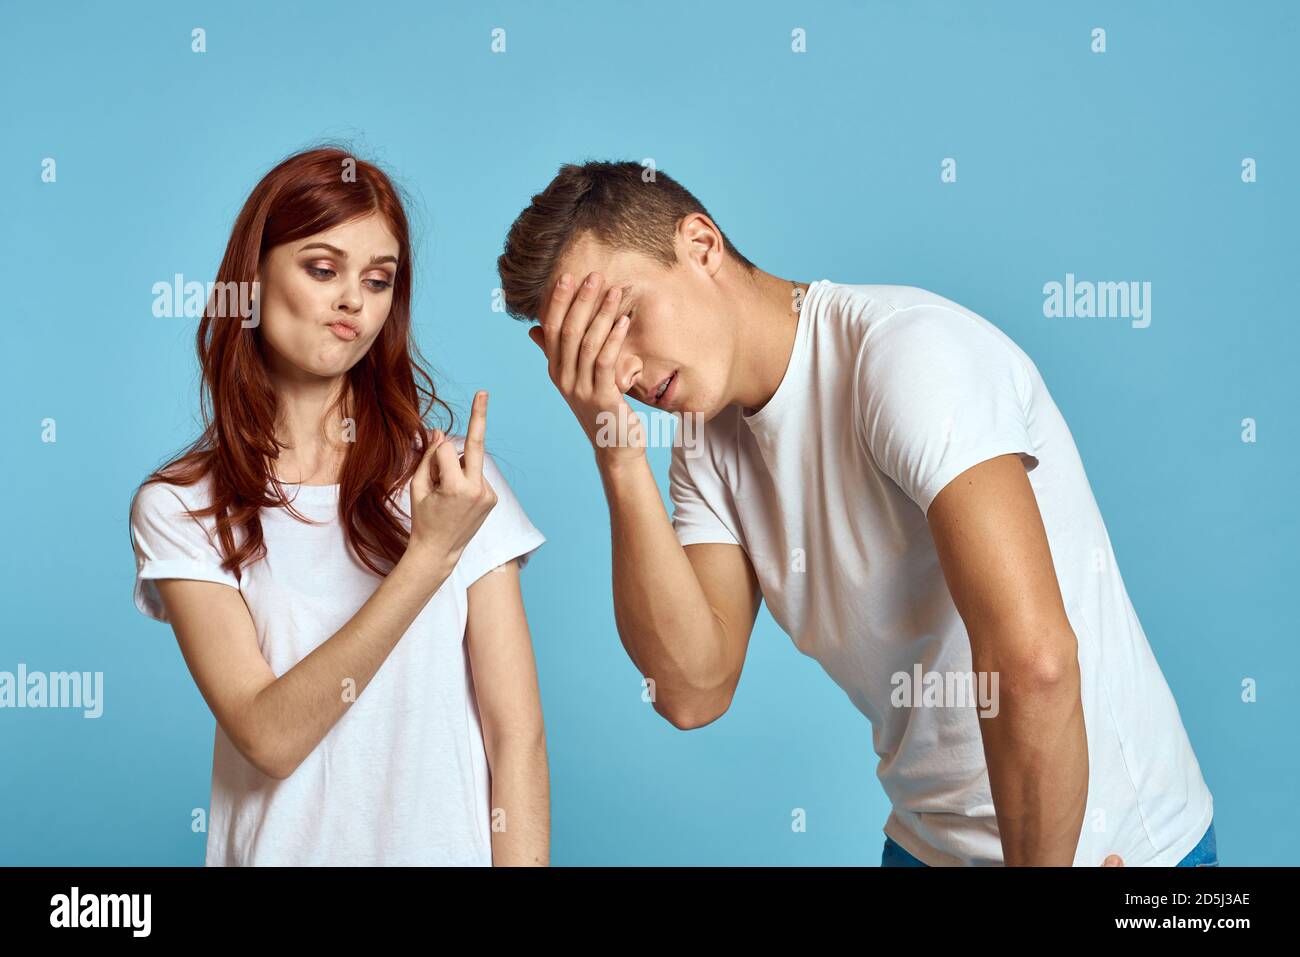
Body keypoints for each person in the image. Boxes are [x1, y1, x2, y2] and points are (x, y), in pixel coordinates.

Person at [494, 160, 1216, 866]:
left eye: (622, 317)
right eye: (585, 349)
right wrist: (615, 449)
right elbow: (692, 687)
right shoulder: (705, 443)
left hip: (1108, 847)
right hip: (928, 843)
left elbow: (1034, 663)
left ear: (701, 245)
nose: (620, 372)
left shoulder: (906, 357)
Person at [129, 147, 548, 866]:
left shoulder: (454, 482)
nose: (354, 300)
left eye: (378, 279)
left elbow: (518, 740)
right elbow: (269, 736)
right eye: (323, 269)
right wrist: (427, 557)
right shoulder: (182, 505)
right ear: (253, 277)